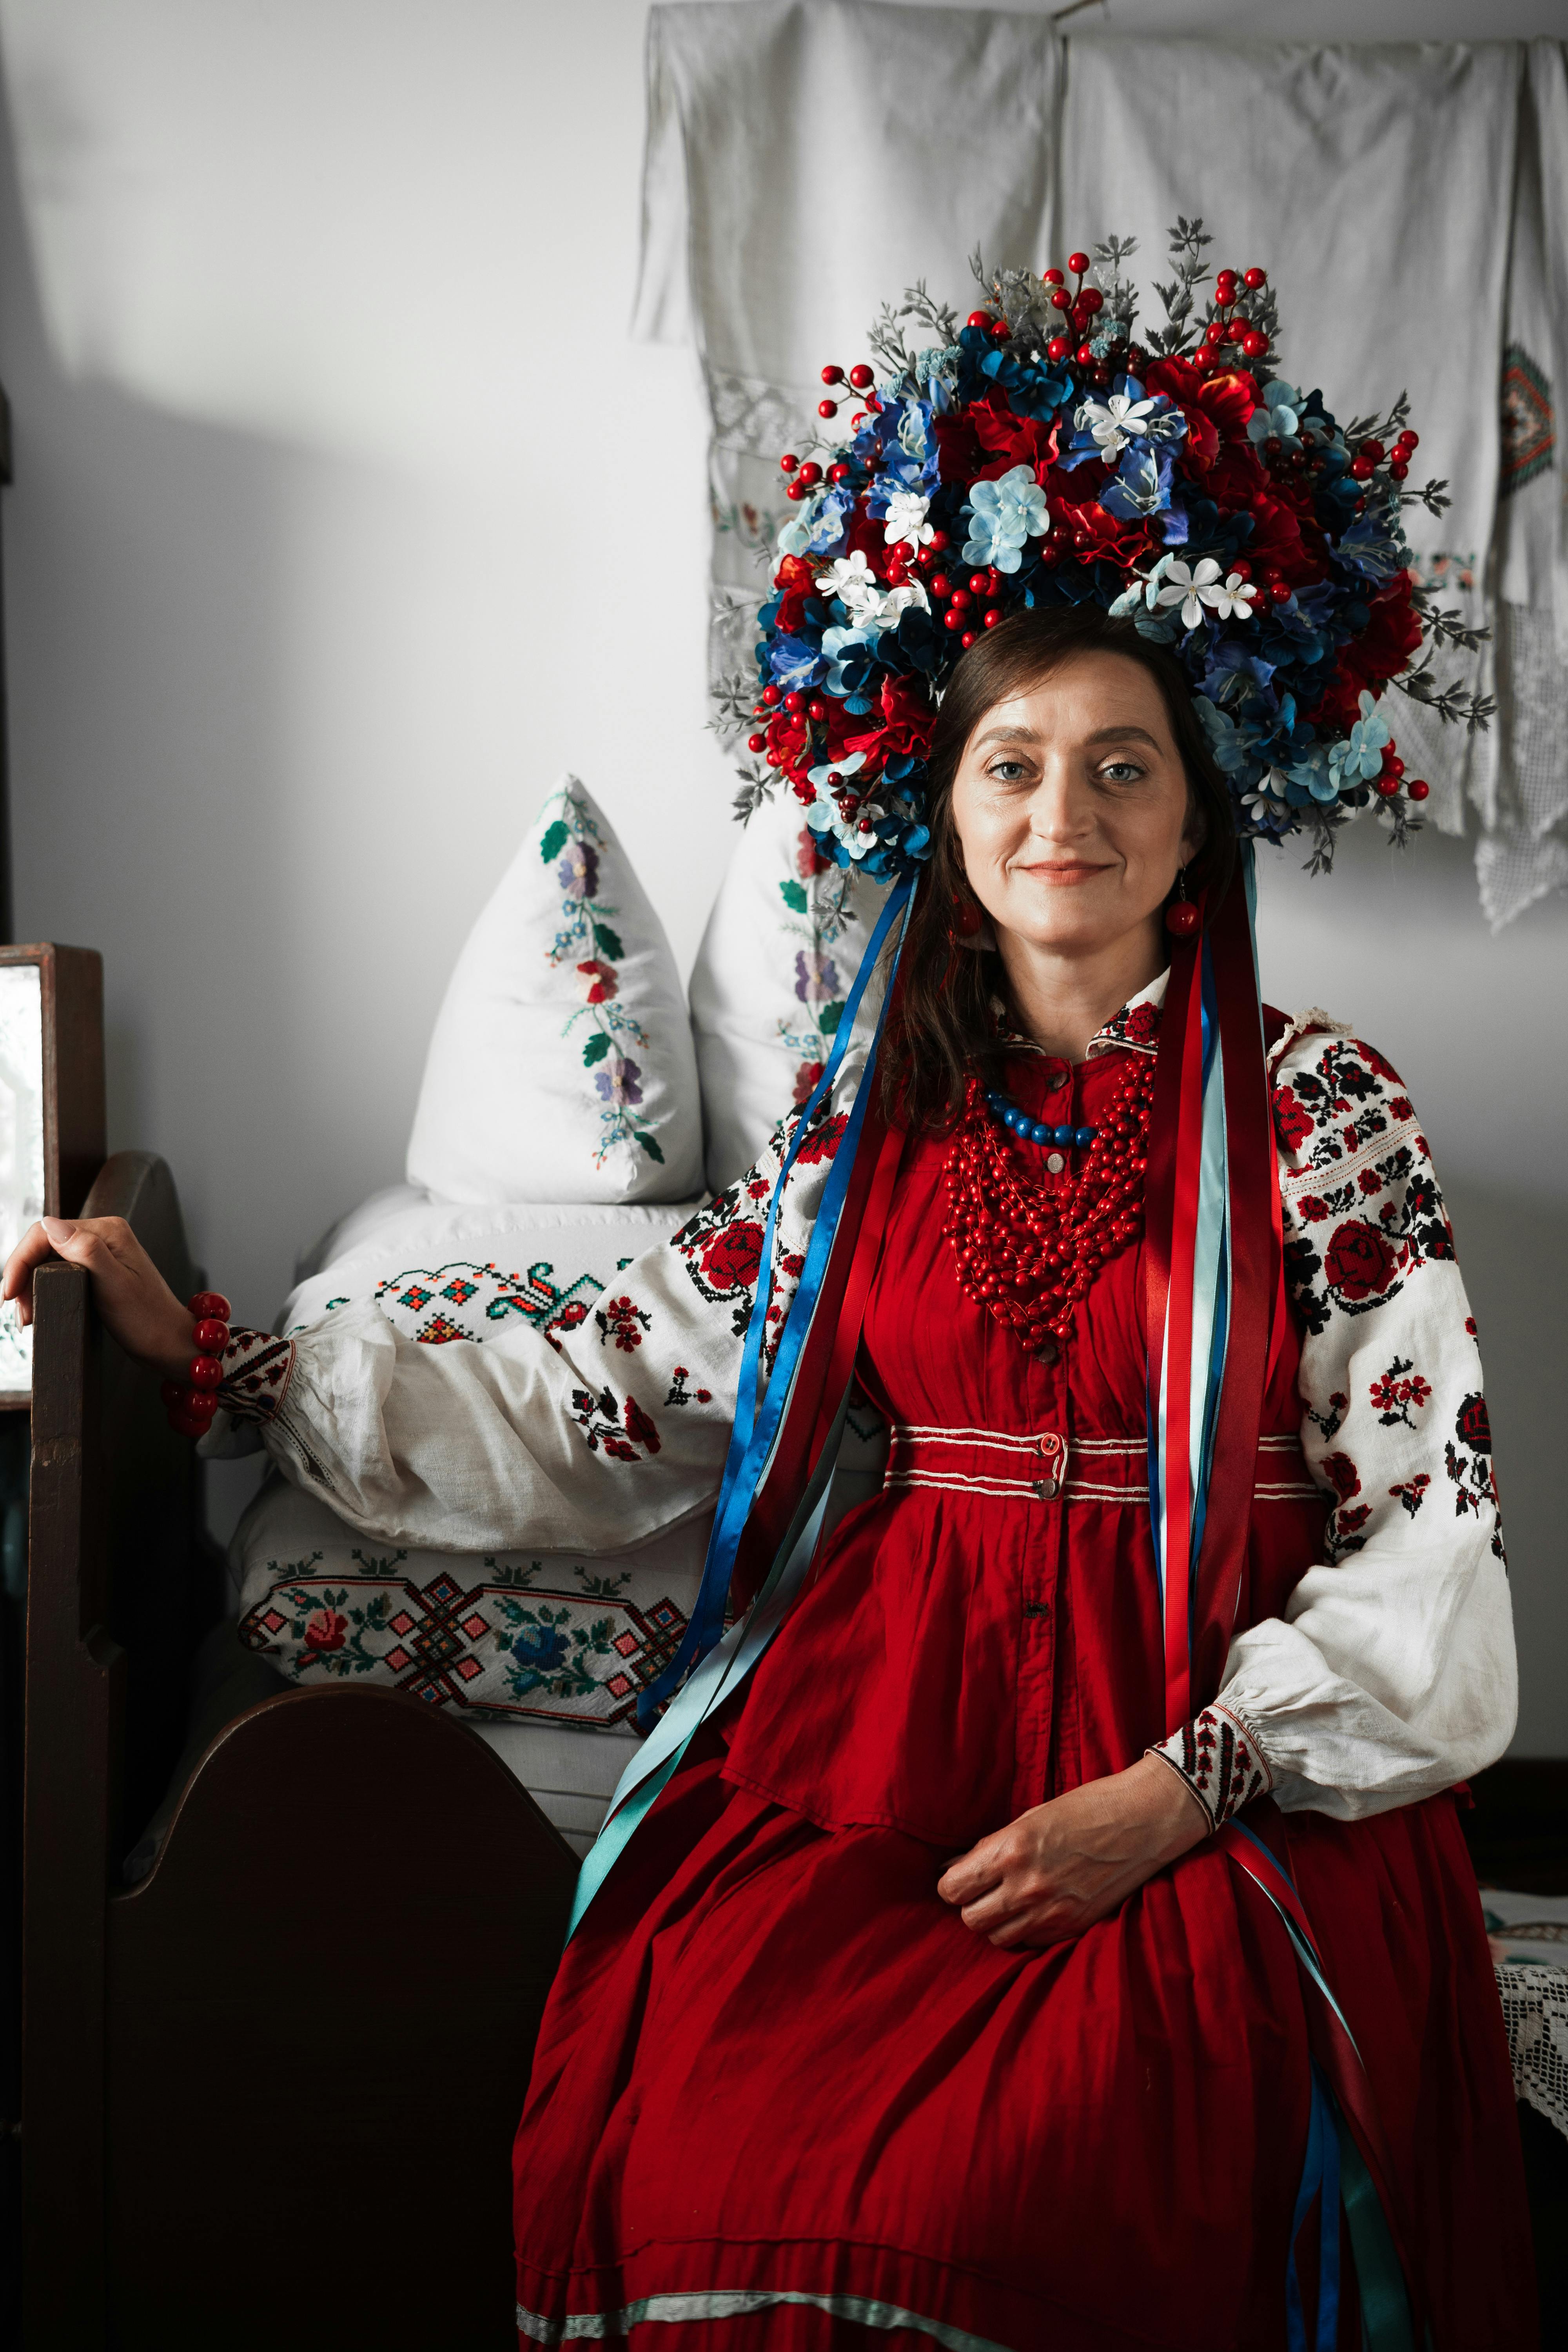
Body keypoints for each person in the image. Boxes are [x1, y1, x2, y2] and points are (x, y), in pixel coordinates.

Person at [6, 247, 1537, 2346]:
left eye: (1120, 768)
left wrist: (1179, 1788)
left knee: (1037, 2195)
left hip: (1202, 1755)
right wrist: (241, 1358)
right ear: (952, 822)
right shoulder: (873, 1117)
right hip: (887, 1729)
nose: (1060, 813)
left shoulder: (1314, 1112)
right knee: (716, 2135)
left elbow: (1429, 1544)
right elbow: (627, 1380)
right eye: (1013, 768)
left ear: (1198, 833)